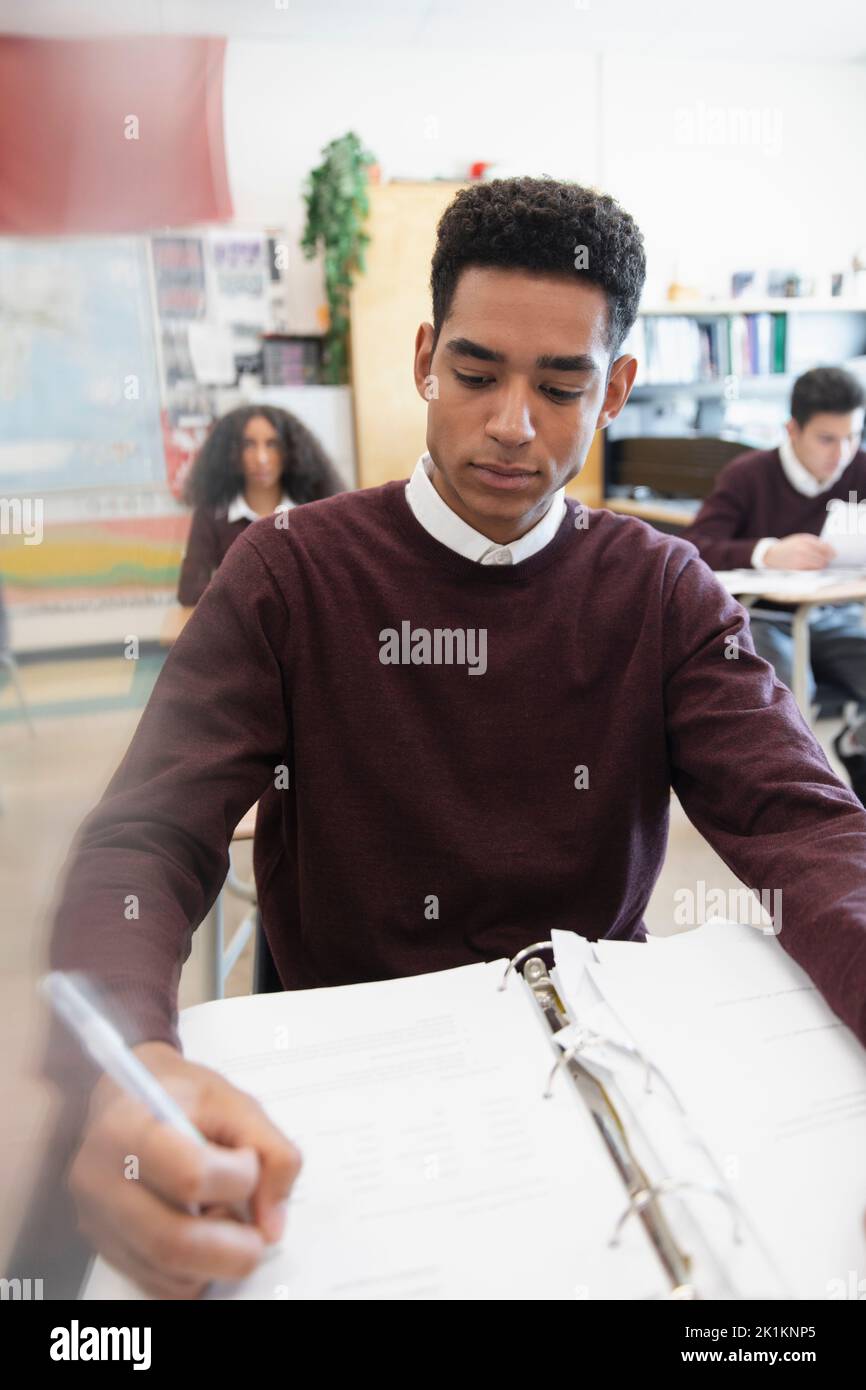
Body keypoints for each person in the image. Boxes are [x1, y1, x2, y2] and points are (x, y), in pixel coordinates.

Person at [46, 177, 866, 1299]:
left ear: (616, 388)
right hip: (348, 1075)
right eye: (475, 372)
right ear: (425, 355)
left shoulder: (657, 587)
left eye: (561, 384)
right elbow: (142, 841)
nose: (510, 424)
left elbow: (799, 819)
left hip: (591, 1069)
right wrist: (126, 1066)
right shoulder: (290, 572)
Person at [682, 367, 866, 799]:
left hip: (836, 613)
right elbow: (692, 547)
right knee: (783, 685)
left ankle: (855, 744)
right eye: (826, 439)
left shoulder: (860, 469)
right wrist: (766, 552)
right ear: (792, 429)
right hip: (766, 617)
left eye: (852, 437)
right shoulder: (748, 475)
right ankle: (792, 802)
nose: (841, 453)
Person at [176, 404, 342, 605]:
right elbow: (189, 592)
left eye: (272, 444)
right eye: (249, 445)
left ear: (290, 451)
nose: (261, 458)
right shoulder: (212, 515)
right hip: (241, 632)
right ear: (231, 454)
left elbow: (334, 582)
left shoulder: (314, 510)